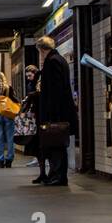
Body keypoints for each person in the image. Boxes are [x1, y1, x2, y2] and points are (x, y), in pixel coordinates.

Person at [35, 36, 76, 186]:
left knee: (55, 145)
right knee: (57, 144)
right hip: (60, 111)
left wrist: (51, 114)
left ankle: (58, 176)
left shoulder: (52, 62)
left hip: (56, 113)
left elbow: (54, 90)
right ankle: (56, 175)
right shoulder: (59, 60)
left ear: (42, 49)